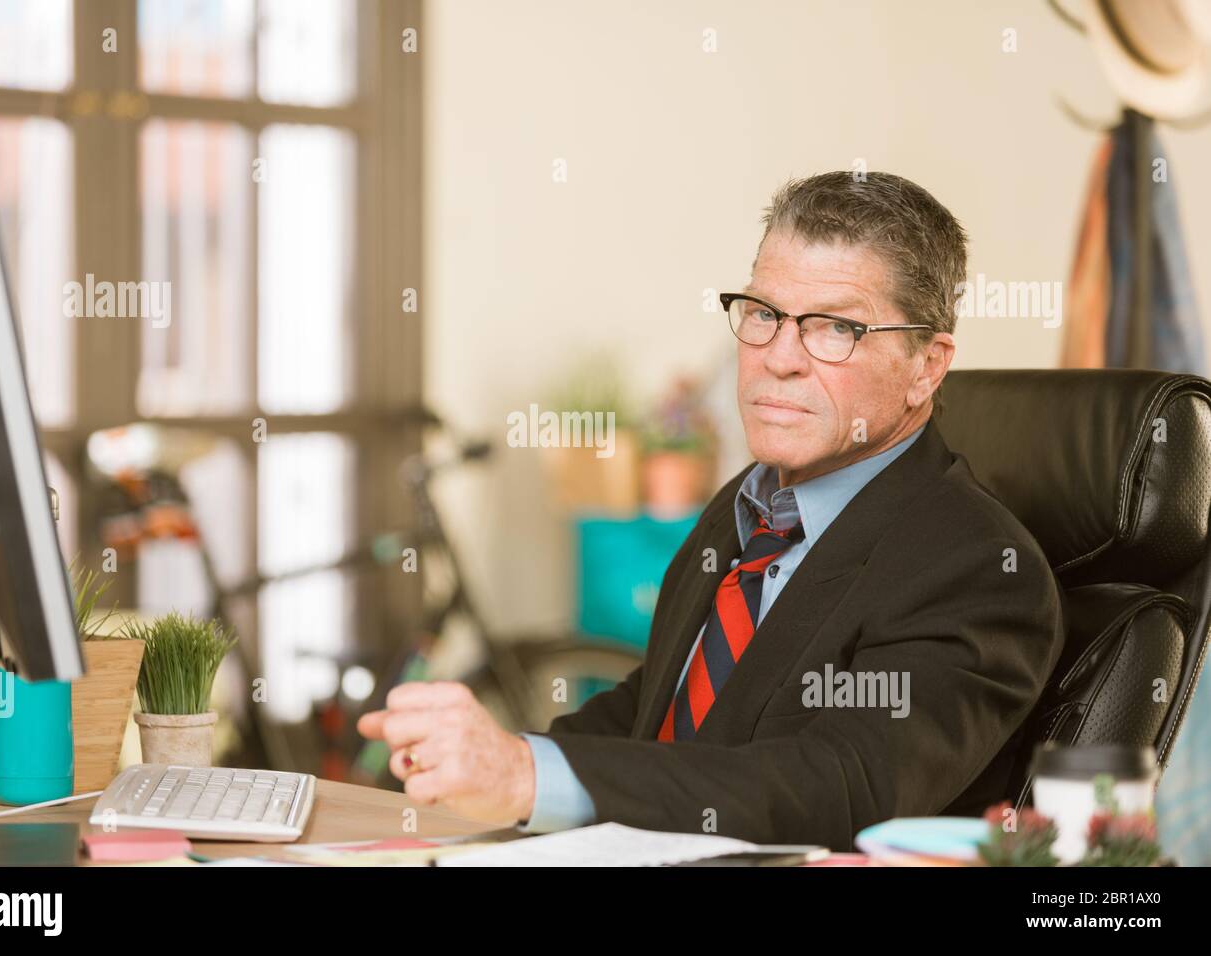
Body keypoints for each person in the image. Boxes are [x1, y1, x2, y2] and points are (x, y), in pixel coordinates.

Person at [357, 170, 1066, 850]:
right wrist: (500, 759)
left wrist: (527, 779)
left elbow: (840, 789)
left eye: (834, 328)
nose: (777, 358)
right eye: (763, 314)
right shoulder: (750, 503)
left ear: (927, 366)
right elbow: (653, 714)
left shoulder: (976, 567)